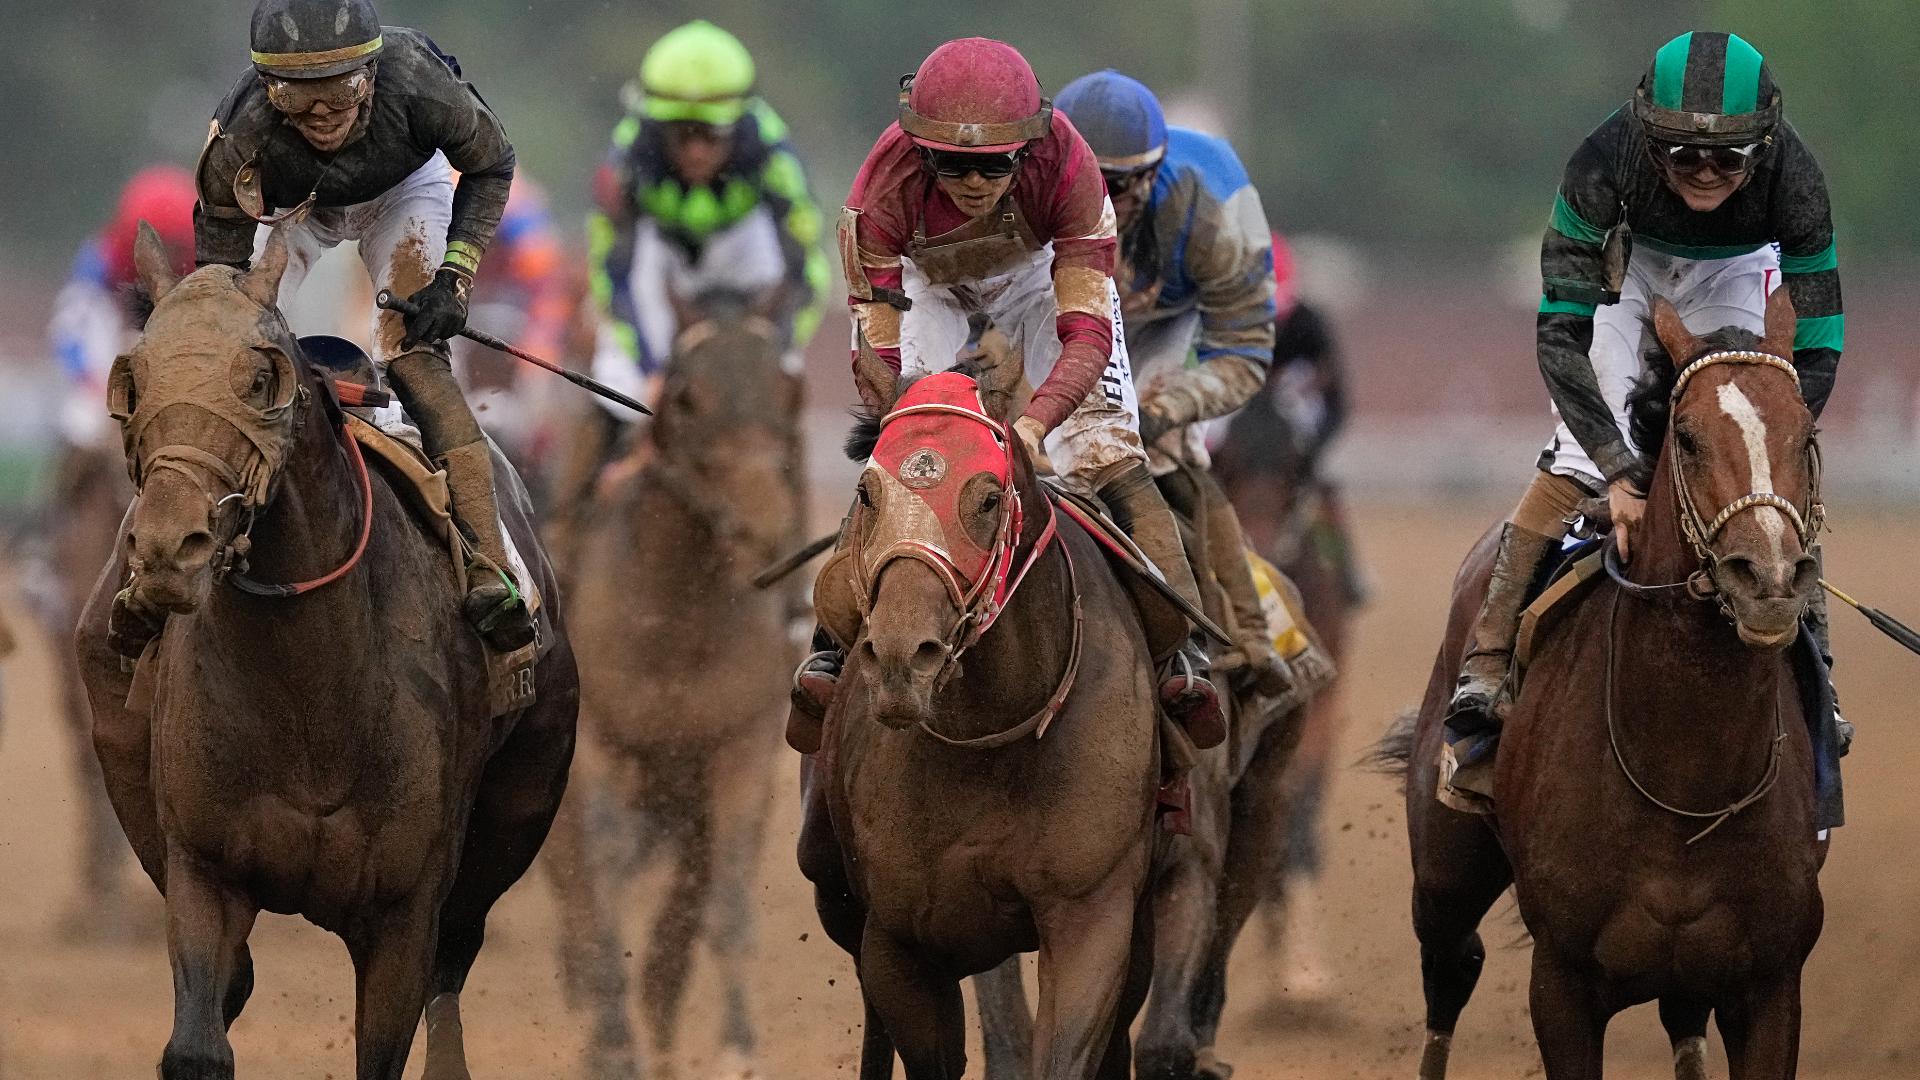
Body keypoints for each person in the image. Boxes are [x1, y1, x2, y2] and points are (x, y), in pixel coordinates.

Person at [1441, 31, 1844, 808]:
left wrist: (1773, 444)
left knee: (1759, 467)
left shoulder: (1796, 177)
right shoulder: (1600, 164)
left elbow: (1820, 342)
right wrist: (1622, 473)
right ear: (1645, 136)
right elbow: (1560, 335)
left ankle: (1818, 679)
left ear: (1763, 146)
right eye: (1681, 153)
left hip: (1739, 272)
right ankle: (1486, 664)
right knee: (1577, 457)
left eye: (1728, 157)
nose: (1705, 171)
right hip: (1628, 276)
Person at [801, 37, 1224, 745]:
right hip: (923, 283)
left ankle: (1181, 650)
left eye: (995, 164)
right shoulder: (878, 192)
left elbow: (1086, 334)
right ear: (920, 152)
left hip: (1039, 277)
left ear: (1029, 149)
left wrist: (1033, 426)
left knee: (1108, 452)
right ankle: (832, 647)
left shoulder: (1072, 172)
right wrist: (903, 422)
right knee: (904, 460)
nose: (974, 181)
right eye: (953, 164)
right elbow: (875, 350)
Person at [192, 0, 532, 649]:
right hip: (290, 207)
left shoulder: (420, 81)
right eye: (297, 97)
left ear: (371, 73)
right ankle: (168, 550)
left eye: (341, 89)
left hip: (404, 191)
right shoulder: (239, 135)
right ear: (267, 88)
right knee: (231, 353)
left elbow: (492, 163)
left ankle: (491, 561)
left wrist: (454, 278)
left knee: (411, 352)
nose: (322, 113)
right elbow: (219, 268)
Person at [548, 19, 826, 572]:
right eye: (682, 135)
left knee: (777, 390)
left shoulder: (773, 156)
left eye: (712, 135)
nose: (697, 150)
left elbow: (806, 270)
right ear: (657, 126)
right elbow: (614, 271)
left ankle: (796, 571)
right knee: (615, 384)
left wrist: (772, 345)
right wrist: (651, 366)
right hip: (660, 258)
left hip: (745, 256)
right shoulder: (626, 158)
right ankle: (564, 539)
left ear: (738, 125)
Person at [1054, 68, 1293, 694]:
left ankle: (1255, 635)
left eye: (1116, 187)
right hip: (1052, 314)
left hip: (1164, 329)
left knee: (1164, 456)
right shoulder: (1022, 183)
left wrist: (1163, 411)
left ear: (1154, 174)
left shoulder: (1217, 204)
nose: (1099, 202)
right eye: (1083, 182)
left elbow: (1243, 350)